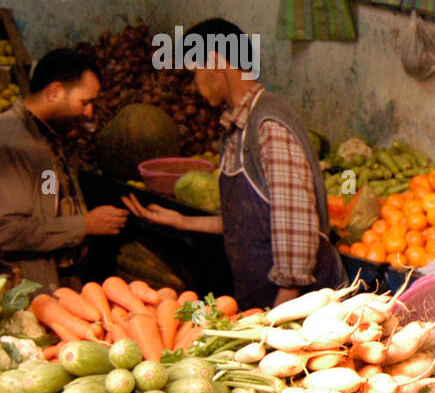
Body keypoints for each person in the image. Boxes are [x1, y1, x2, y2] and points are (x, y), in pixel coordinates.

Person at [123, 18, 342, 308]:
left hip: (298, 307)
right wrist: (181, 221)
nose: (193, 85)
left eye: (195, 71)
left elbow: (296, 230)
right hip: (267, 302)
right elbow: (251, 223)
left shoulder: (267, 126)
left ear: (214, 62)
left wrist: (275, 319)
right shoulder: (240, 126)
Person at [0, 49, 127, 290]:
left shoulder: (48, 136)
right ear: (55, 91)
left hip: (60, 283)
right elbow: (7, 231)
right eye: (85, 102)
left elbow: (46, 197)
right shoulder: (10, 142)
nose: (89, 112)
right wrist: (84, 225)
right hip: (27, 290)